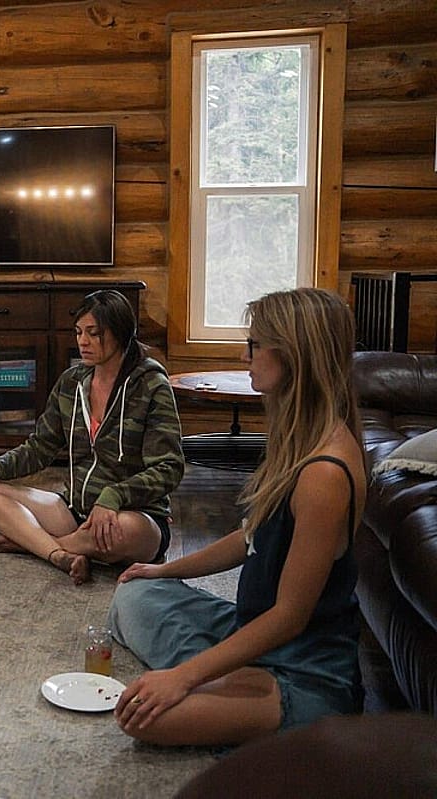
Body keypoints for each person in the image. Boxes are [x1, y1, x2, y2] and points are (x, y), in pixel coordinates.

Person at [107, 288, 366, 746]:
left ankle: (227, 684)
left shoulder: (326, 472)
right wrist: (164, 570)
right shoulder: (296, 440)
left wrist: (184, 677)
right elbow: (249, 537)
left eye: (254, 345)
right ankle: (227, 675)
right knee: (136, 595)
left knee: (146, 719)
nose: (245, 355)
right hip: (252, 629)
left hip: (305, 670)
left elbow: (289, 617)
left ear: (291, 355)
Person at [0, 289, 184, 584]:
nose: (82, 341)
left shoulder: (151, 385)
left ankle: (35, 543)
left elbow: (169, 468)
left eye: (94, 333)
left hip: (135, 517)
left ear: (122, 334)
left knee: (122, 531)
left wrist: (114, 496)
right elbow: (39, 447)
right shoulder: (72, 382)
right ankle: (61, 554)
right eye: (79, 332)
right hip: (74, 511)